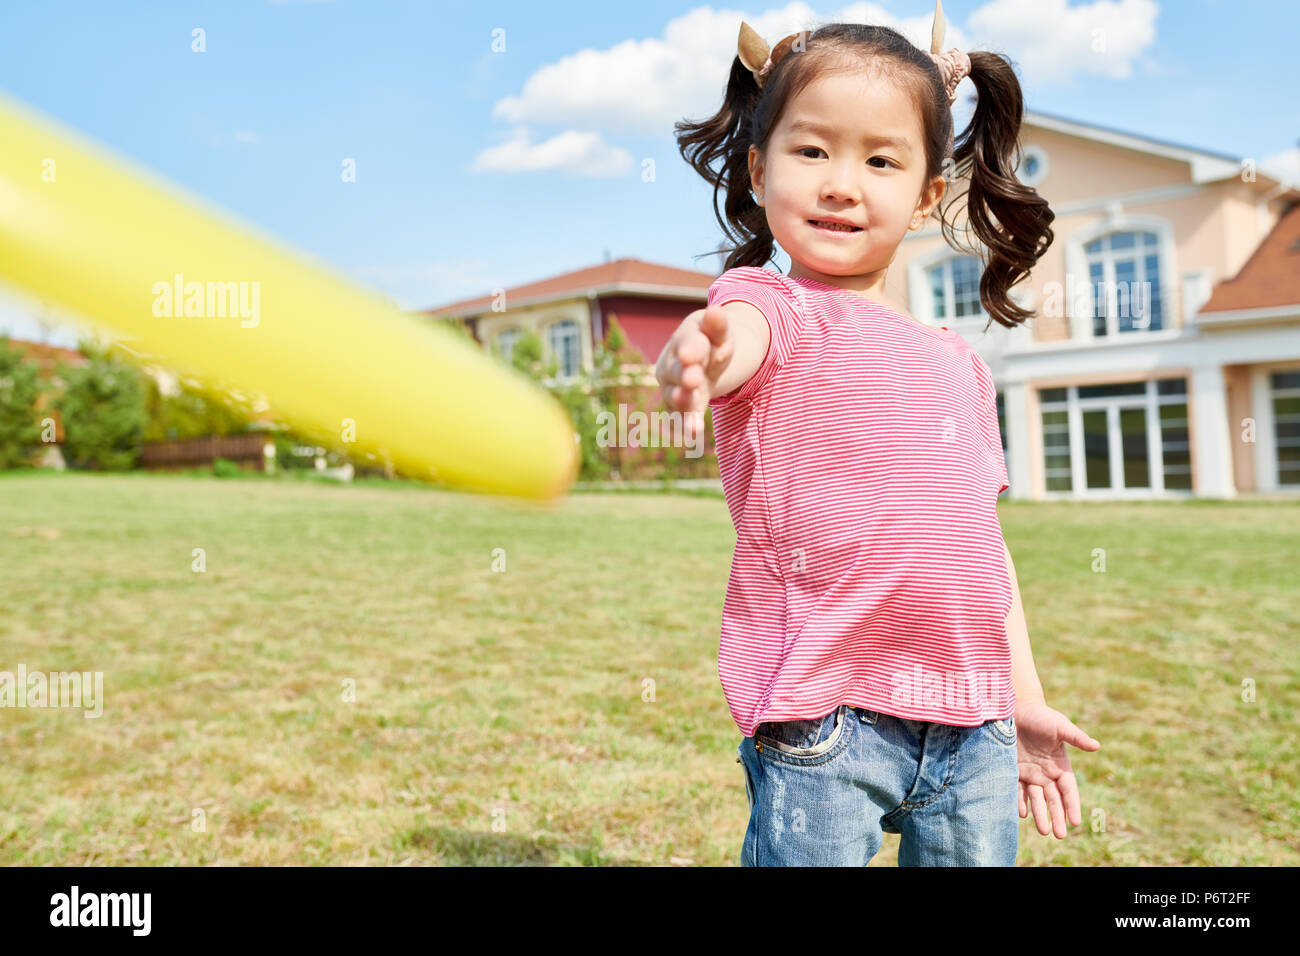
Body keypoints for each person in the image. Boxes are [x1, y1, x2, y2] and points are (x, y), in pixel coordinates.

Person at [657, 3, 1099, 866]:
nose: (841, 183)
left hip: (975, 723)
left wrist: (1026, 697)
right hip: (824, 720)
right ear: (756, 167)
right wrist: (704, 351)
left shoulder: (956, 364)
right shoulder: (767, 308)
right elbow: (736, 336)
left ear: (928, 192)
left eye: (881, 159)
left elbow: (982, 549)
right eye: (811, 150)